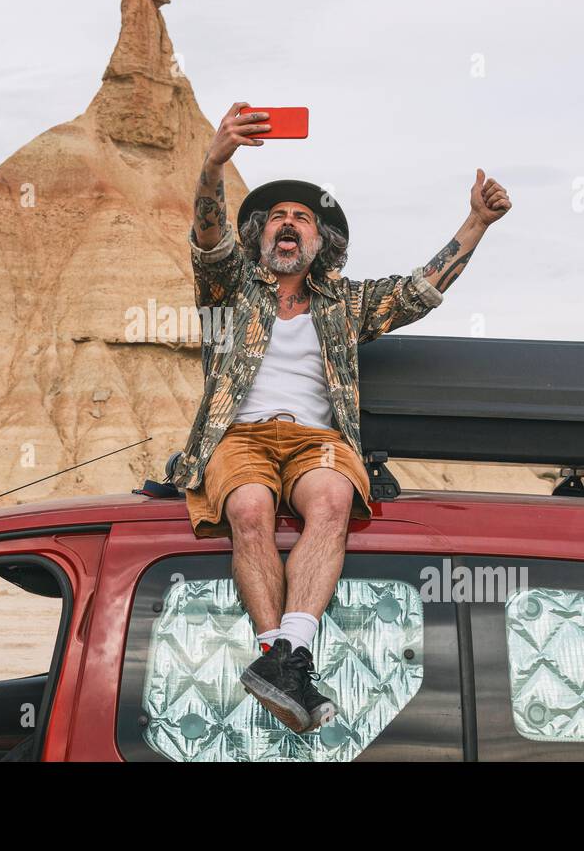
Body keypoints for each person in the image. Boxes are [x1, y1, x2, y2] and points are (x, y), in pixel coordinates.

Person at [169, 102, 512, 733]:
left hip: (318, 441)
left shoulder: (346, 303)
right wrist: (216, 160)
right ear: (260, 237)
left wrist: (477, 221)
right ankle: (284, 659)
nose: (290, 224)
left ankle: (285, 655)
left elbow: (420, 290)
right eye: (278, 217)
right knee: (248, 509)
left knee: (329, 499)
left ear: (320, 243)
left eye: (303, 218)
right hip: (237, 436)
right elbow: (208, 232)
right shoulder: (229, 289)